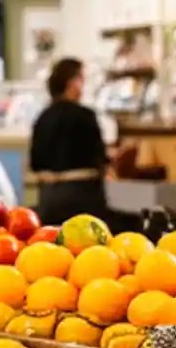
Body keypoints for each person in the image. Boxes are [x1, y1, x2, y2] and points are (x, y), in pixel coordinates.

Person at [30, 58, 129, 227]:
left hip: (49, 198)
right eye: (82, 79)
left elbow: (35, 162)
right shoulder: (85, 115)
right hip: (83, 197)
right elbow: (99, 158)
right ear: (72, 83)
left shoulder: (42, 118)